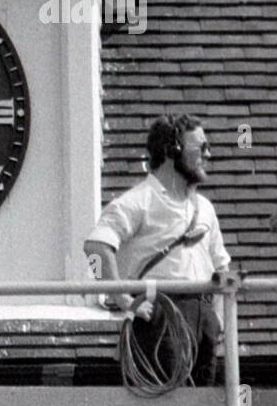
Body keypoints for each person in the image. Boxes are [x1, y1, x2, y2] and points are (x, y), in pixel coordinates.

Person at [83, 114, 230, 386]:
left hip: (203, 320)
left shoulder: (205, 209)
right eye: (201, 147)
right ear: (172, 151)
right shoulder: (138, 202)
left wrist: (218, 319)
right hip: (160, 316)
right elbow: (93, 249)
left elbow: (222, 267)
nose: (208, 154)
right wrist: (122, 299)